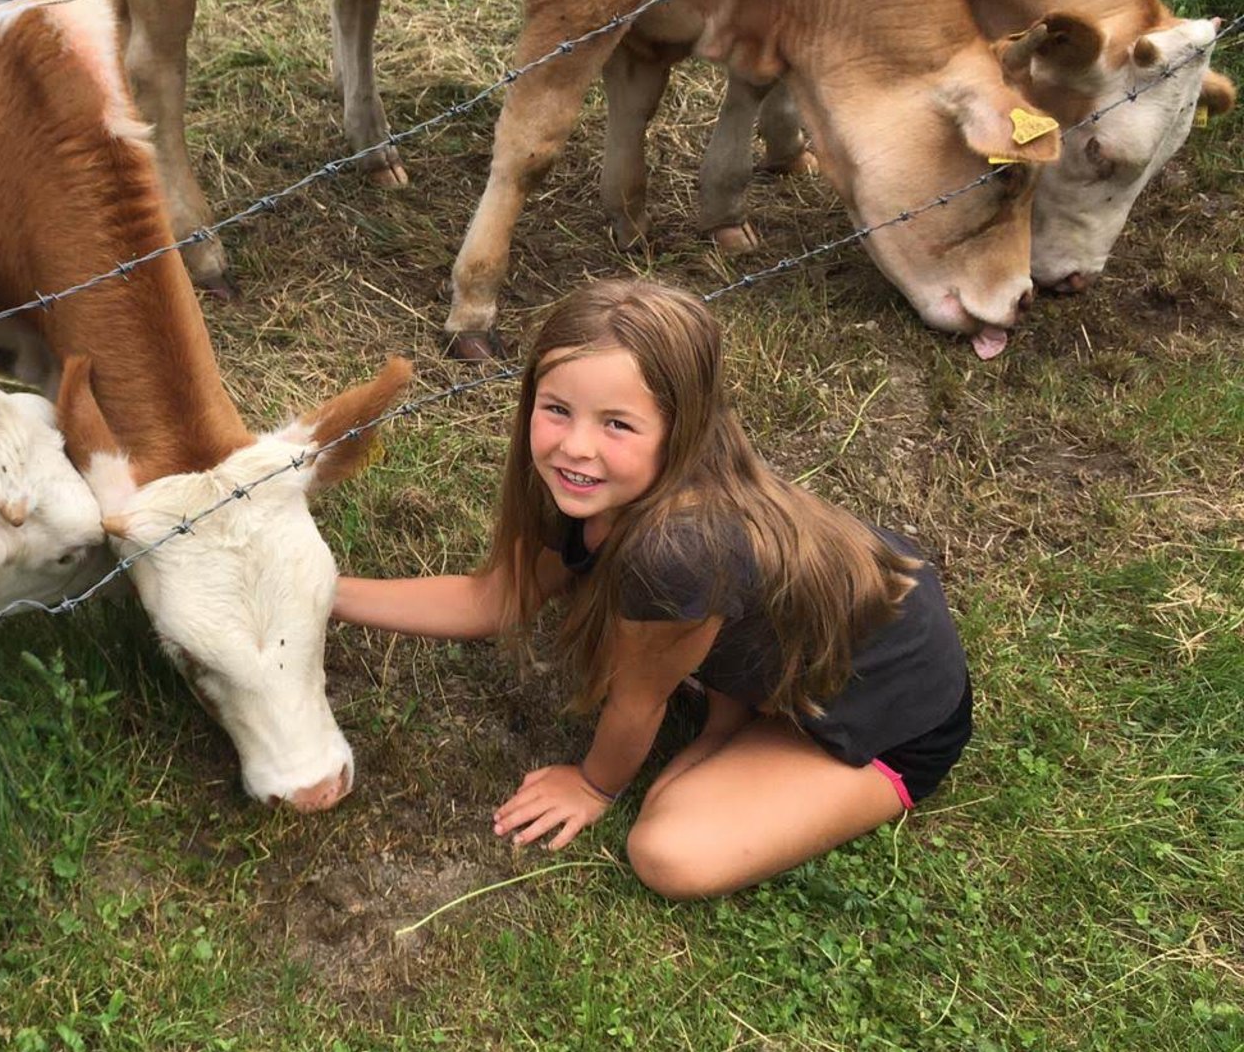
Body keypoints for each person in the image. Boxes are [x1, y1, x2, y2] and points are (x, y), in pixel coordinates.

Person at [334, 280, 971, 898]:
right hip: (833, 627)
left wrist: (593, 785)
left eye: (618, 424)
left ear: (683, 428)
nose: (575, 446)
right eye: (557, 410)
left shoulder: (677, 551)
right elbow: (494, 599)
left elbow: (638, 704)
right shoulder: (589, 490)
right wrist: (323, 592)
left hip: (887, 712)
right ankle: (730, 706)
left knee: (667, 853)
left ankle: (730, 722)